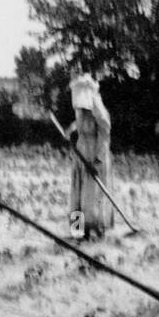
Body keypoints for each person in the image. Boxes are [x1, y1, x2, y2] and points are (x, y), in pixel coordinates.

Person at [64, 73, 113, 240]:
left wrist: (97, 159)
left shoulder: (98, 109)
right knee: (77, 194)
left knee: (91, 196)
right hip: (80, 153)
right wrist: (69, 132)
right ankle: (78, 231)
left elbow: (105, 133)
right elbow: (78, 124)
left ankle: (94, 231)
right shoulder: (80, 109)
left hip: (94, 155)